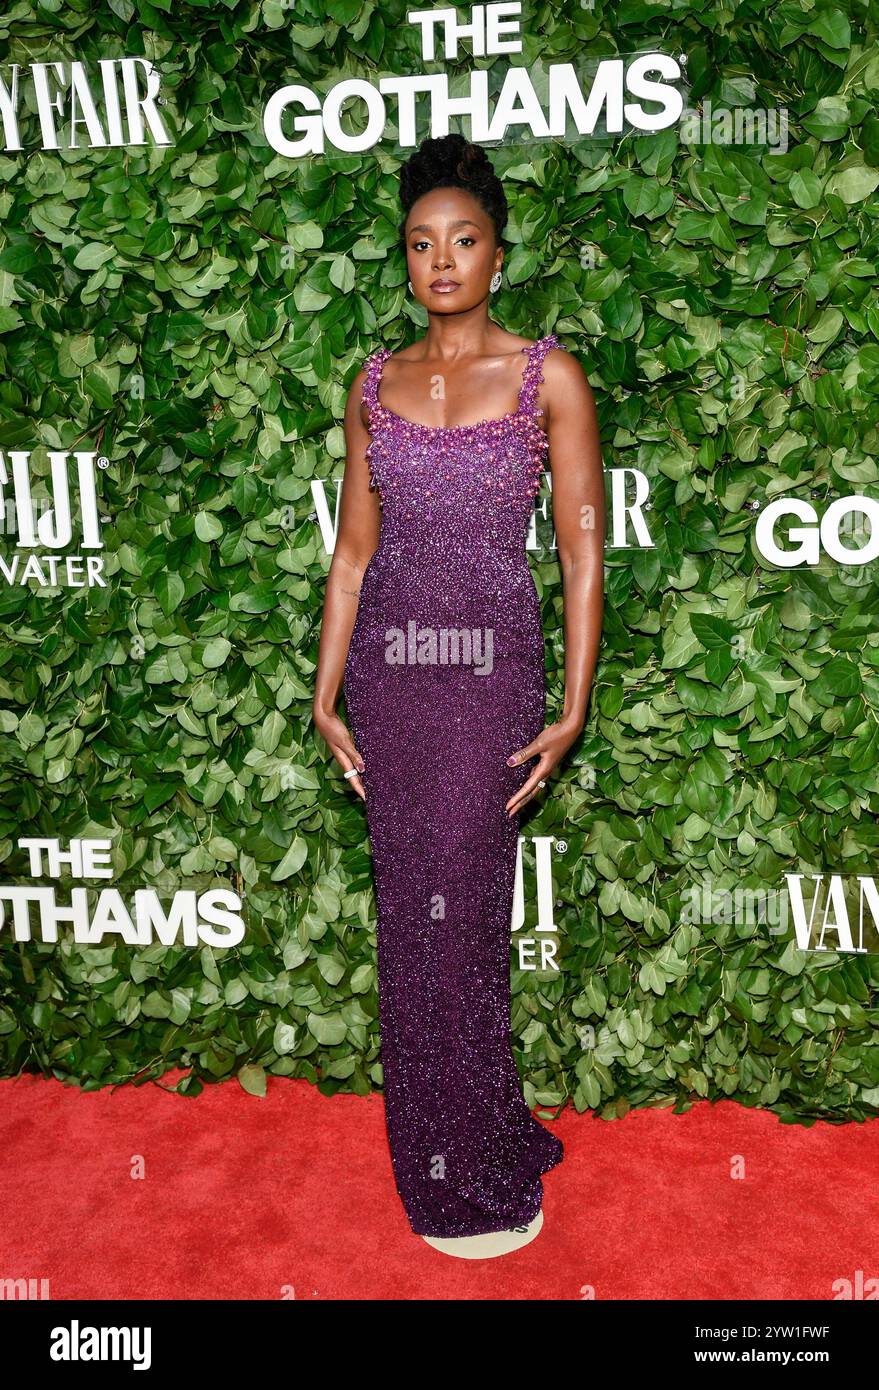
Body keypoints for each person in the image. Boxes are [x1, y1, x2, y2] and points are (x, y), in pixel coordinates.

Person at [312, 132, 605, 1242]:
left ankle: (482, 1135)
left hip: (492, 679)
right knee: (412, 926)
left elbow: (583, 552)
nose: (442, 260)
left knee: (470, 923)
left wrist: (572, 707)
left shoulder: (548, 375)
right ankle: (438, 1162)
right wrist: (324, 692)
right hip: (391, 677)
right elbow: (351, 555)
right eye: (421, 244)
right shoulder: (372, 383)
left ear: (496, 252)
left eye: (464, 239)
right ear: (406, 260)